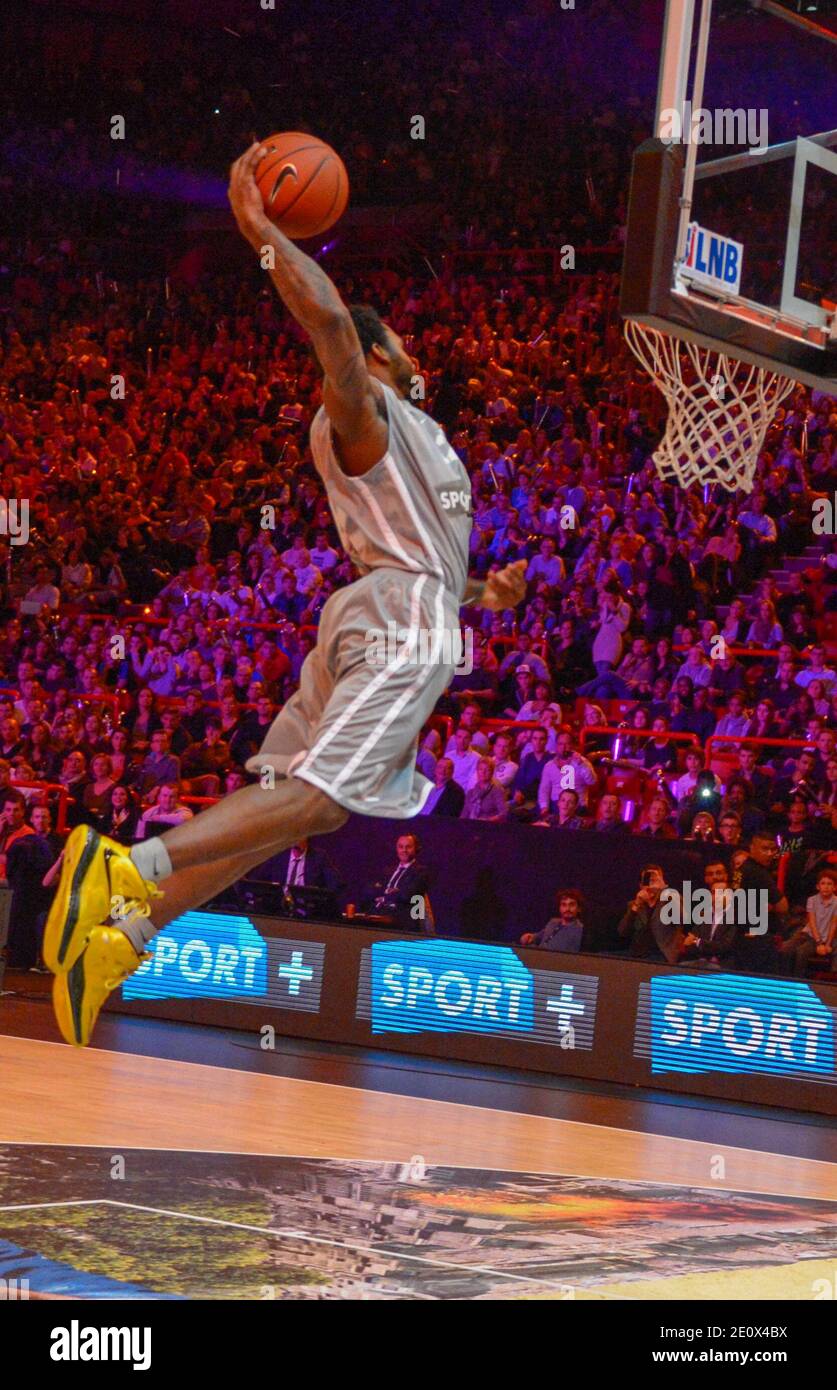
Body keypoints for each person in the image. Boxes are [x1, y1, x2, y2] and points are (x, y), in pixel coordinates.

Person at [45, 139, 526, 1044]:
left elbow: (416, 545)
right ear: (382, 352)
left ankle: (123, 937)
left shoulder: (413, 435)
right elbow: (335, 332)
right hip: (399, 616)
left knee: (276, 817)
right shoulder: (365, 406)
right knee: (323, 801)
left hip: (380, 609)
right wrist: (260, 230)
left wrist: (482, 593)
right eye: (400, 342)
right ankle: (125, 866)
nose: (412, 351)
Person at [366, 833, 433, 933]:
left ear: (416, 849)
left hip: (402, 921)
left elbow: (407, 895)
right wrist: (390, 892)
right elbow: (370, 889)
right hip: (379, 915)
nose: (404, 850)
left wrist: (385, 897)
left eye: (408, 847)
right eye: (400, 847)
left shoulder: (421, 872)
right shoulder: (388, 870)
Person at [678, 859, 740, 967]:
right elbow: (689, 941)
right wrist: (692, 942)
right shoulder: (706, 914)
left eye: (721, 893)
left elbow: (724, 946)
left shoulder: (736, 916)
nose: (716, 896)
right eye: (713, 893)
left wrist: (697, 942)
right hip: (701, 961)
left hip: (722, 965)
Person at [617, 865, 682, 964]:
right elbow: (623, 932)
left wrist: (664, 889)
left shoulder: (672, 898)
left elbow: (680, 919)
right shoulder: (633, 904)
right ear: (641, 884)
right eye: (647, 880)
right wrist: (636, 905)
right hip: (637, 954)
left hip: (661, 954)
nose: (651, 885)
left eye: (654, 880)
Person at [780, 868, 837, 977]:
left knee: (802, 952)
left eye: (829, 884)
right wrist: (819, 943)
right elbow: (812, 922)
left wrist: (827, 944)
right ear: (818, 886)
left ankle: (831, 978)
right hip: (811, 934)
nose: (826, 886)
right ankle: (786, 976)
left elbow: (834, 924)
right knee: (786, 948)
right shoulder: (812, 900)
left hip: (829, 936)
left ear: (835, 887)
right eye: (823, 883)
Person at [521, 889, 585, 953]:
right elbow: (538, 936)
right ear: (560, 908)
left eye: (571, 905)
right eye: (564, 905)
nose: (567, 909)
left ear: (579, 908)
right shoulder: (553, 922)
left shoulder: (579, 929)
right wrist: (529, 937)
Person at [461, 757, 508, 822]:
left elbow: (504, 814)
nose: (483, 772)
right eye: (480, 769)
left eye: (487, 770)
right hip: (470, 826)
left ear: (492, 772)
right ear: (477, 771)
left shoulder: (497, 791)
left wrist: (487, 820)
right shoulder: (470, 793)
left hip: (488, 828)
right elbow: (464, 815)